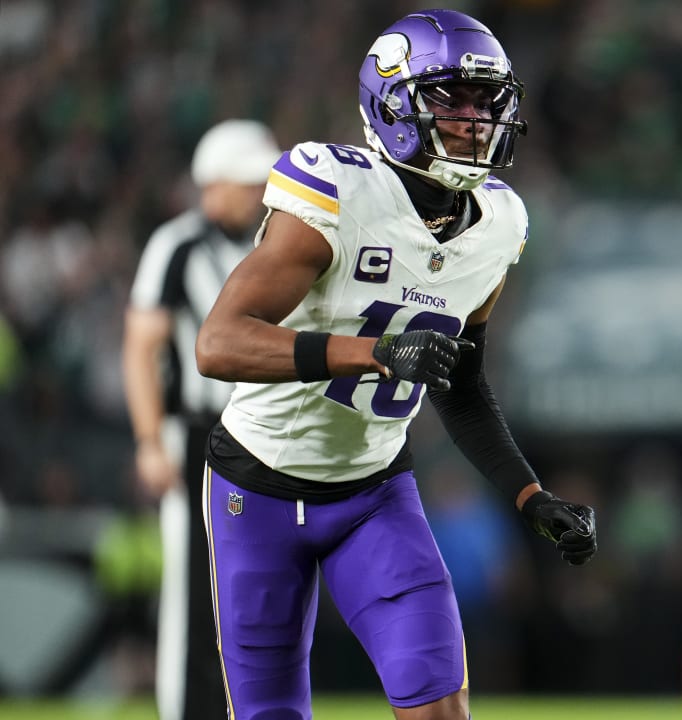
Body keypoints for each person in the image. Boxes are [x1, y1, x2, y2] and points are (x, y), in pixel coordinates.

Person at [193, 9, 598, 720]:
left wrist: (530, 495)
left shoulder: (500, 224)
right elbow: (219, 343)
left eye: (486, 102)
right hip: (254, 490)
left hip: (373, 494)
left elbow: (462, 383)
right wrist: (371, 353)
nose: (475, 119)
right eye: (453, 99)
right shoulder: (337, 192)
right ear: (393, 103)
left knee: (439, 708)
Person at [122, 118, 281, 720]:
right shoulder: (178, 244)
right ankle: (185, 710)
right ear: (210, 183)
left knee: (259, 580)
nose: (255, 191)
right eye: (243, 181)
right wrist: (148, 439)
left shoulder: (272, 244)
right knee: (194, 584)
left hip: (265, 431)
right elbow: (141, 346)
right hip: (198, 431)